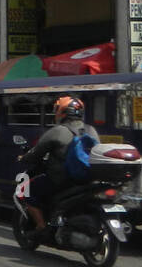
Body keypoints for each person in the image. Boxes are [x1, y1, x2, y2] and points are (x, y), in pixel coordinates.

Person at [18, 95, 100, 231]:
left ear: (61, 112)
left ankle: (41, 226)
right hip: (88, 180)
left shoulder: (57, 131)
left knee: (27, 191)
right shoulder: (91, 130)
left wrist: (24, 158)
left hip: (61, 180)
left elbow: (36, 153)